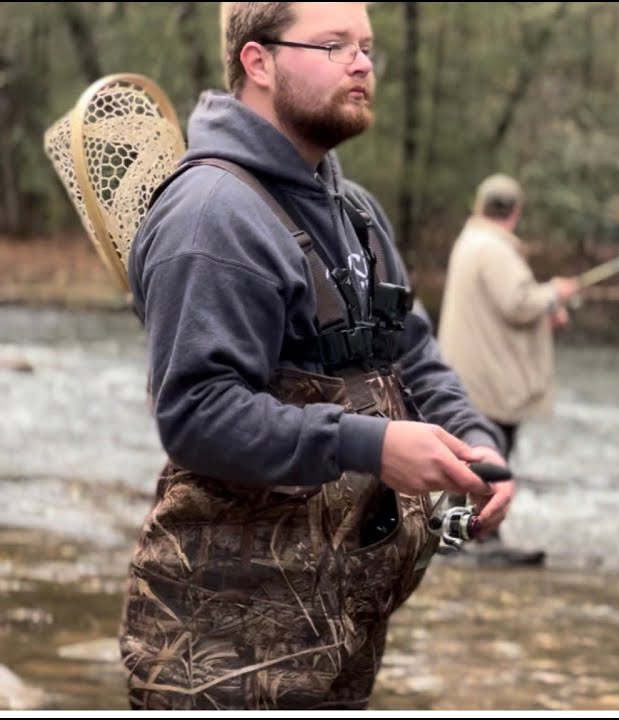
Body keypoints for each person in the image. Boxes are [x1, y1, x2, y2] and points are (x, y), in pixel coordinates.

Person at [118, 2, 512, 709]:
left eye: (366, 47)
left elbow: (412, 351)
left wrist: (477, 442)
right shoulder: (210, 216)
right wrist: (373, 445)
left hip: (341, 628)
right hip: (219, 650)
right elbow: (197, 414)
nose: (361, 64)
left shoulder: (356, 210)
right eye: (334, 46)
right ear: (258, 61)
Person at [436, 174, 579, 565]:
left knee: (469, 453)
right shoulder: (494, 248)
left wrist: (545, 306)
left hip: (469, 369)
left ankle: (456, 537)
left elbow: (502, 306)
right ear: (515, 212)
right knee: (492, 450)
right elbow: (517, 303)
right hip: (490, 376)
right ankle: (484, 536)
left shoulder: (471, 241)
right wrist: (555, 293)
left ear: (479, 206)